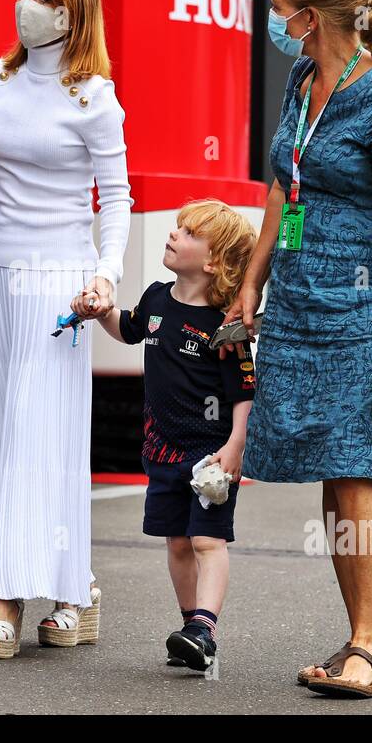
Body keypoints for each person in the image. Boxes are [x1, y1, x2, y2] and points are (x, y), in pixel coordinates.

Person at [221, 0, 372, 698]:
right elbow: (285, 185)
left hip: (371, 314)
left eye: (279, 10)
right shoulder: (302, 76)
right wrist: (253, 280)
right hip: (303, 309)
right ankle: (356, 639)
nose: (273, 22)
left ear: (309, 17)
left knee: (358, 465)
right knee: (331, 471)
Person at [0, 0, 133, 658]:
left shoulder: (95, 97)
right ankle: (74, 591)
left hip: (59, 280)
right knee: (3, 431)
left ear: (73, 11)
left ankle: (9, 601)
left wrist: (107, 273)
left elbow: (115, 197)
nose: (27, 4)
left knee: (36, 434)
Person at [88, 200, 257, 673]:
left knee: (206, 541)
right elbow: (127, 329)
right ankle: (189, 629)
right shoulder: (157, 298)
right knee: (177, 543)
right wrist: (101, 311)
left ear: (213, 262)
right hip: (160, 450)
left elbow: (246, 391)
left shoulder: (227, 326)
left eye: (188, 233)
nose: (173, 234)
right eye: (177, 227)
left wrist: (235, 446)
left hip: (209, 455)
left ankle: (204, 628)